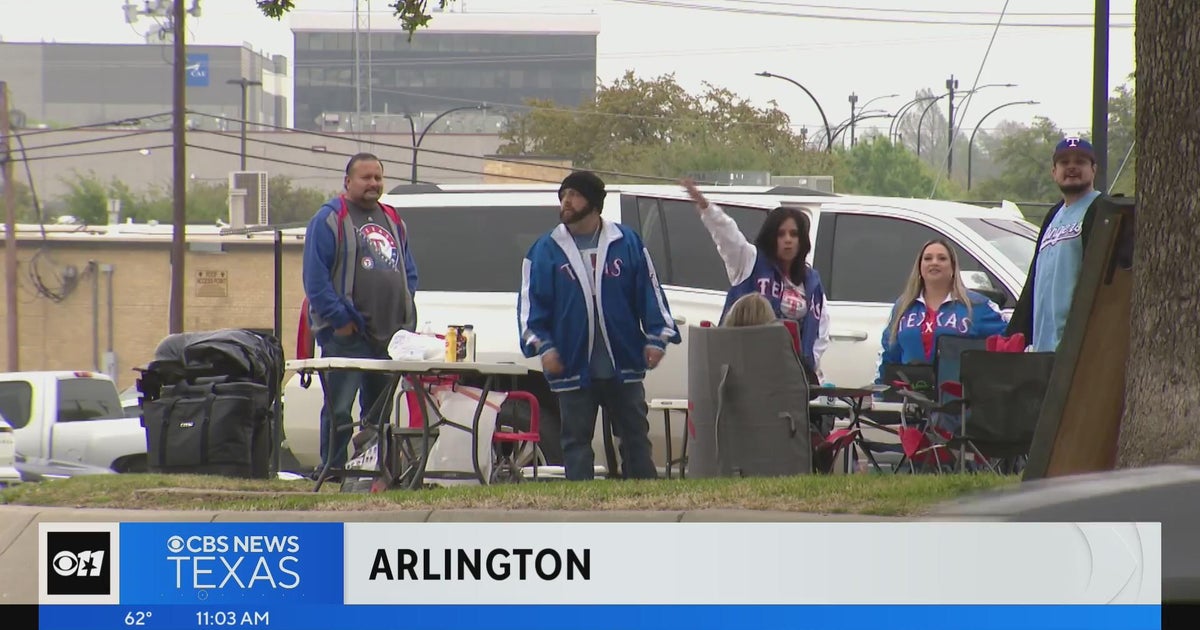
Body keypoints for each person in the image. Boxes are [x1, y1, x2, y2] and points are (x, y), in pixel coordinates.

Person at [518, 171, 681, 481]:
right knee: (576, 443)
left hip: (624, 363)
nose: (566, 201)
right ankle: (581, 508)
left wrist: (657, 339)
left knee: (635, 440)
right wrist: (544, 345)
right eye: (563, 194)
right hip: (571, 365)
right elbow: (531, 307)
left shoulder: (627, 242)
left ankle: (646, 501)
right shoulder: (545, 250)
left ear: (593, 203)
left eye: (574, 195)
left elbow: (650, 293)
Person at [302, 152, 419, 473]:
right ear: (348, 181)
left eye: (378, 177)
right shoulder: (329, 219)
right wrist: (340, 321)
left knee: (378, 414)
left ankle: (370, 472)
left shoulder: (393, 219)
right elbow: (315, 280)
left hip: (389, 336)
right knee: (340, 410)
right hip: (347, 337)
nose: (373, 183)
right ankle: (334, 470)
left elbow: (408, 271)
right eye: (366, 177)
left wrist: (406, 310)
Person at [681, 178, 831, 381]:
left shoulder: (811, 281)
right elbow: (727, 235)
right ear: (771, 237)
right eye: (781, 234)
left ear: (802, 240)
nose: (788, 239)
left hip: (793, 377)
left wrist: (806, 371)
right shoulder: (749, 260)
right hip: (745, 372)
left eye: (794, 234)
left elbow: (821, 332)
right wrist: (705, 206)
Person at [1006, 136, 1106, 352]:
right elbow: (1033, 280)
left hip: (1078, 349)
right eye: (1064, 162)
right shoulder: (1053, 215)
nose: (1071, 167)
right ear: (1054, 172)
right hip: (1043, 347)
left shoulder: (1101, 211)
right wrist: (1016, 335)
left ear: (1093, 169)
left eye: (1080, 162)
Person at [877, 239, 1008, 380]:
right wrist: (880, 394)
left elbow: (1009, 343)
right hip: (910, 395)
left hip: (957, 396)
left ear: (953, 267)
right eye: (927, 258)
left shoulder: (977, 306)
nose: (934, 262)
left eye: (942, 258)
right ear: (920, 267)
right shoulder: (903, 306)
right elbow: (889, 355)